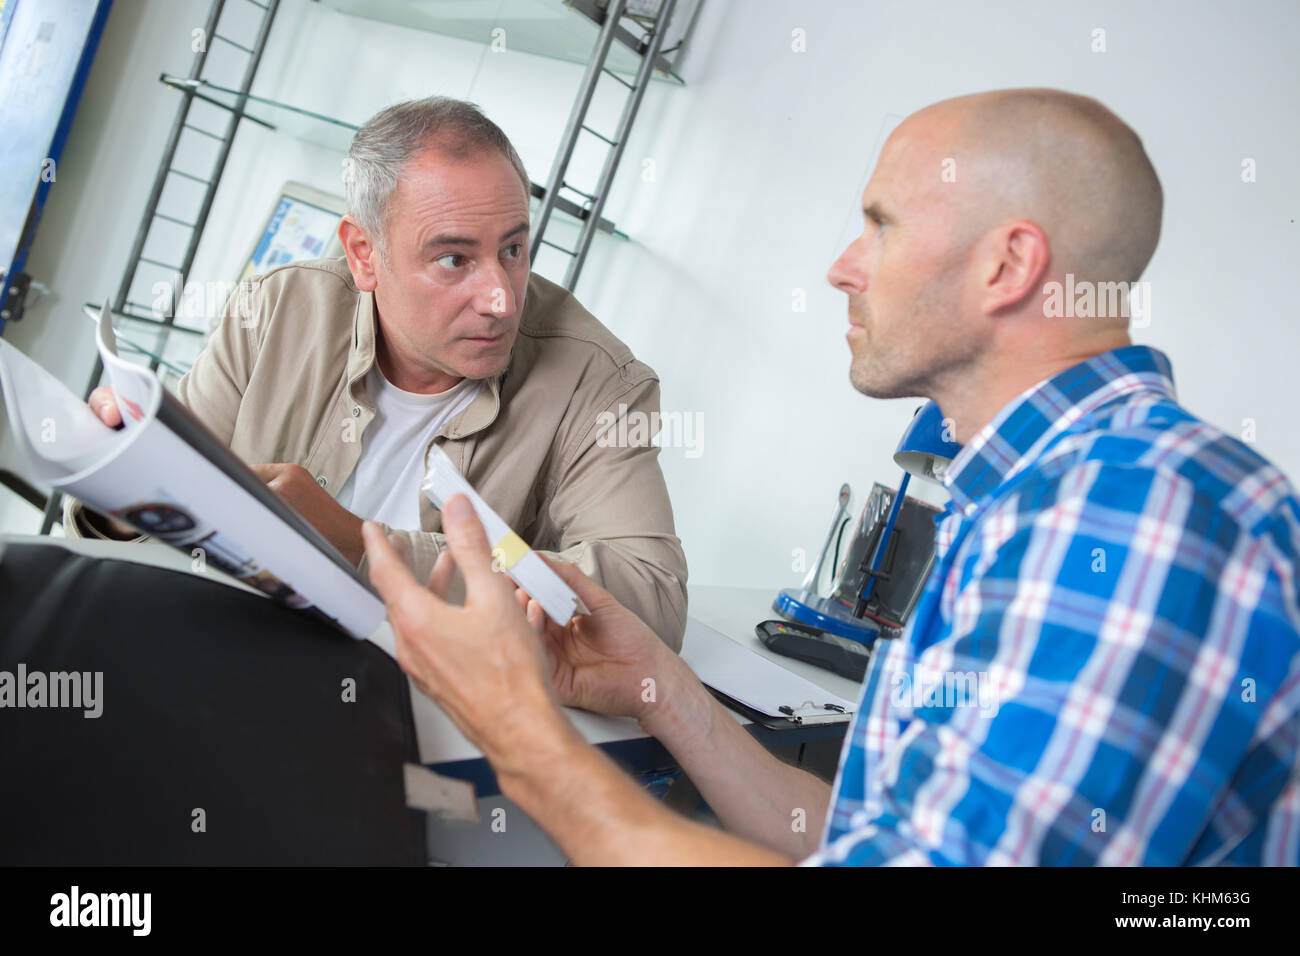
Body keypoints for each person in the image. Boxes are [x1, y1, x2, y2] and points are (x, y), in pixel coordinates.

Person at [362, 88, 1300, 865]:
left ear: (1008, 265)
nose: (842, 267)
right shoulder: (1031, 501)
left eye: (880, 225)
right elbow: (860, 842)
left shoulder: (1137, 511)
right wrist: (658, 687)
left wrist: (523, 737)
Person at [66, 97, 689, 650]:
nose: (501, 298)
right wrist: (124, 487)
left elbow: (652, 600)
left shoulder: (602, 383)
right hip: (229, 659)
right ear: (364, 254)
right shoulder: (275, 310)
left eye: (514, 249)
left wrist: (365, 545)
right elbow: (162, 523)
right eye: (453, 259)